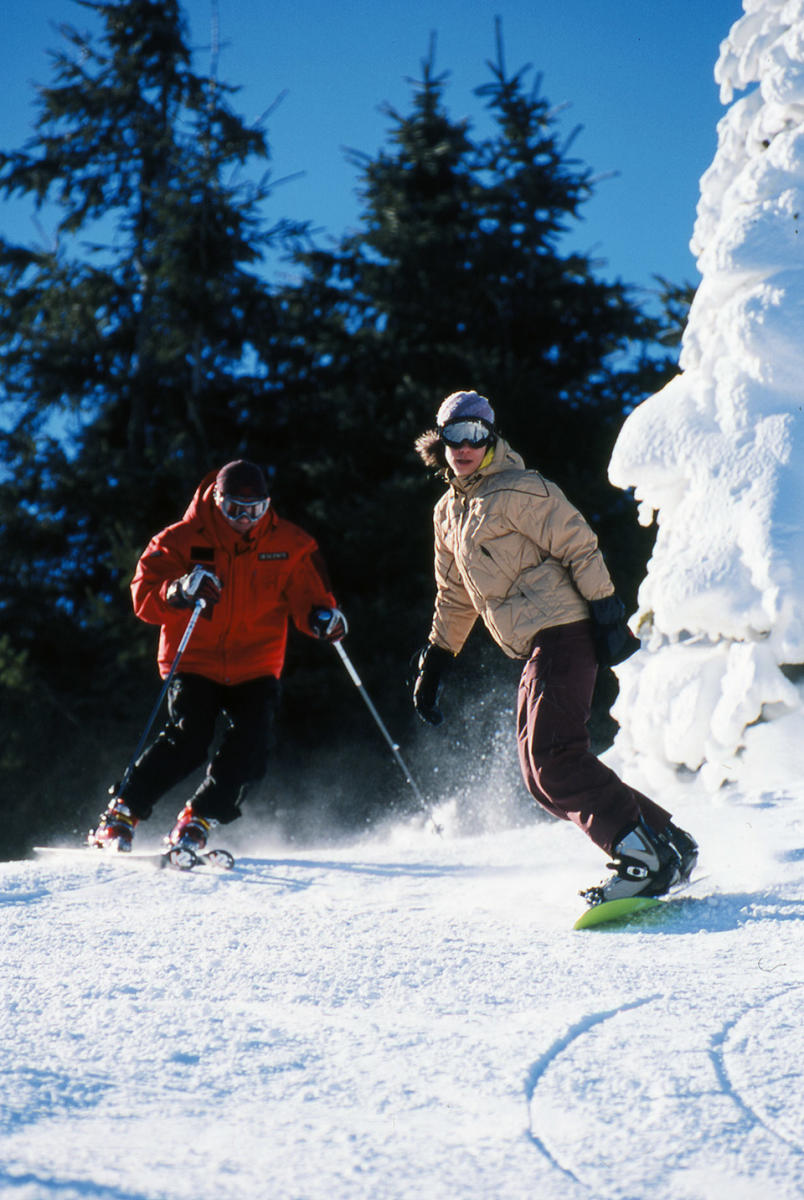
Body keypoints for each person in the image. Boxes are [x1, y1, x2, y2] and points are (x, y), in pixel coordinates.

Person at [410, 391, 697, 905]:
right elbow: (454, 594)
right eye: (453, 435)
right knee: (539, 776)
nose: (464, 446)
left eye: (475, 434)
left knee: (554, 759)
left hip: (565, 630)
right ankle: (666, 842)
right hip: (535, 644)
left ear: (491, 438)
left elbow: (578, 544)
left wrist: (607, 611)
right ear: (441, 441)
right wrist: (437, 659)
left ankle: (643, 857)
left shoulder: (521, 490)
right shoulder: (447, 513)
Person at [89, 460, 347, 855]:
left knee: (253, 745)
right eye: (234, 511)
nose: (244, 520)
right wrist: (180, 589)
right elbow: (144, 597)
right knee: (189, 739)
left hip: (256, 664)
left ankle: (199, 818)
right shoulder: (179, 539)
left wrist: (322, 618)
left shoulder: (291, 545)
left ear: (267, 505)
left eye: (255, 511)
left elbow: (310, 599)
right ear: (217, 500)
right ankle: (122, 813)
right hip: (195, 660)